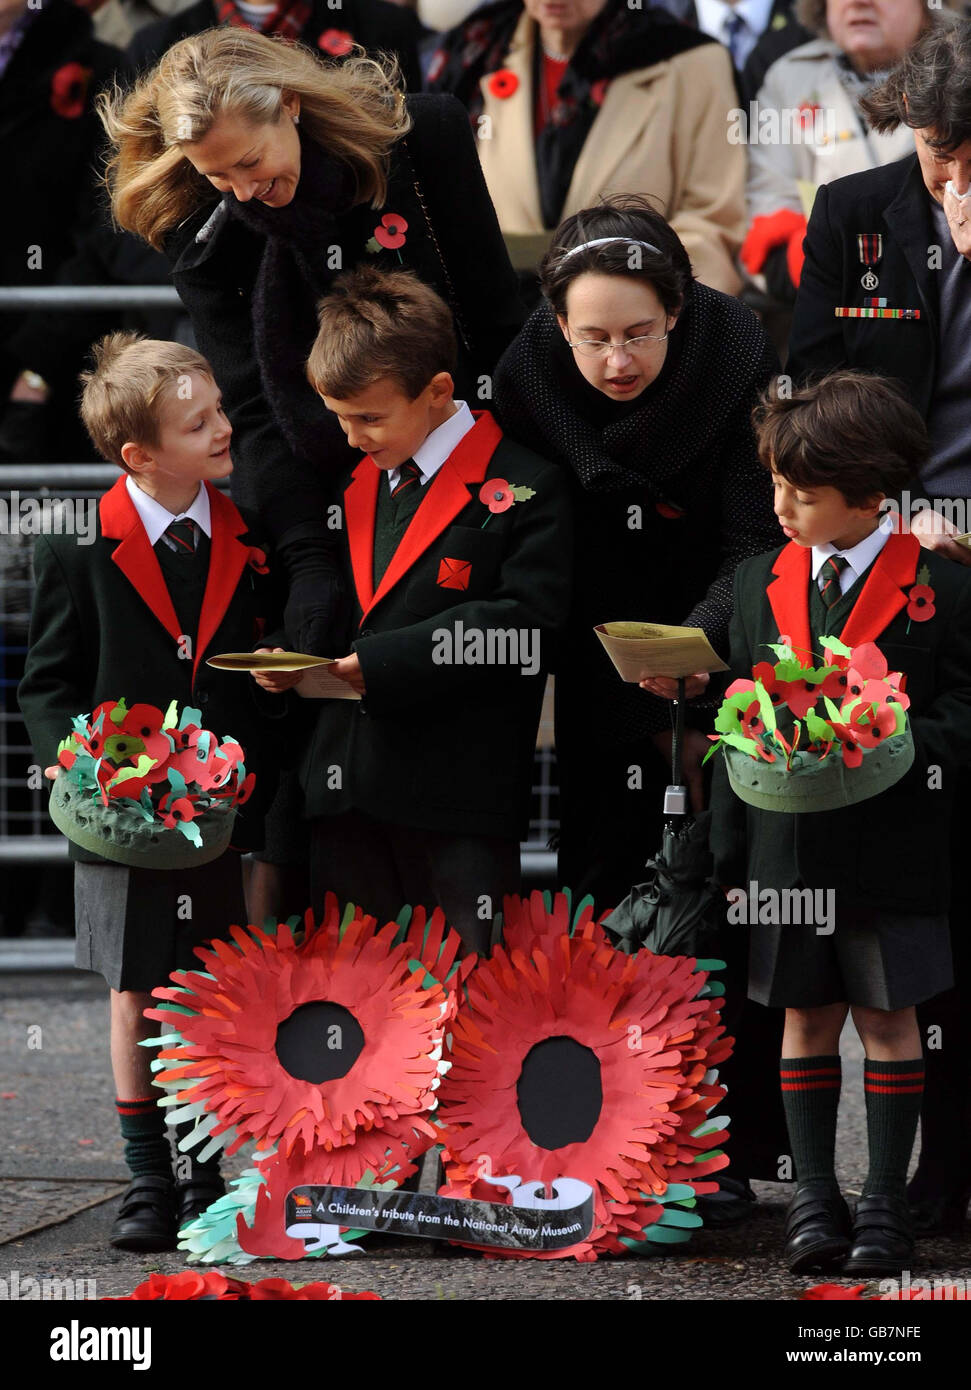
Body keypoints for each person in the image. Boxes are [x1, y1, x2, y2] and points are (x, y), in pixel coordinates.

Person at [493, 197, 786, 1220]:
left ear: (677, 312)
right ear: (558, 328)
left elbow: (759, 535)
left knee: (721, 898)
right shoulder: (526, 376)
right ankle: (607, 1144)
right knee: (603, 886)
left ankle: (735, 1150)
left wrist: (701, 642)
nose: (616, 360)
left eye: (638, 334)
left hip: (711, 647)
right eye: (594, 338)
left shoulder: (738, 360)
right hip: (588, 651)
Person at [99, 27, 523, 657]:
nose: (245, 192)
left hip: (463, 470)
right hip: (317, 499)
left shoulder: (421, 139)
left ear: (290, 105)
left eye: (250, 162)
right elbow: (251, 409)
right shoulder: (198, 229)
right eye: (218, 175)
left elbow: (495, 318)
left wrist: (516, 481)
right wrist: (307, 558)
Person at [18, 333, 286, 1252]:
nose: (223, 429)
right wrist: (78, 766)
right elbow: (47, 682)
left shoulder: (246, 532)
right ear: (139, 456)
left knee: (209, 984)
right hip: (120, 816)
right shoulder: (78, 547)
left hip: (215, 811)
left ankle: (204, 1165)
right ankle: (145, 1178)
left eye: (217, 409)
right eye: (198, 422)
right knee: (136, 986)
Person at [710, 371, 971, 1275]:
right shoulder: (754, 583)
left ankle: (886, 1205)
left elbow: (963, 707)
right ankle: (814, 1199)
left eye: (802, 492)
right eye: (775, 483)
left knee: (890, 1019)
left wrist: (895, 735)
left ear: (869, 495)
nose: (780, 505)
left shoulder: (940, 585)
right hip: (787, 849)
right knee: (804, 1016)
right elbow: (737, 698)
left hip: (896, 846)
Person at [787, 16, 971, 1232]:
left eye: (965, 162)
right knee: (919, 897)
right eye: (931, 155)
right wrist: (892, 527)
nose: (945, 183)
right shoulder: (856, 209)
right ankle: (915, 1172)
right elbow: (811, 395)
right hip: (891, 560)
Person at [257, 266, 572, 954]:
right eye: (340, 419)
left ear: (436, 393)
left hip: (458, 798)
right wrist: (289, 654)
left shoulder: (527, 482)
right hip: (346, 791)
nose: (351, 438)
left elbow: (526, 622)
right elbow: (345, 606)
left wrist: (380, 663)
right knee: (356, 1013)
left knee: (466, 1005)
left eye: (368, 417)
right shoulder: (360, 480)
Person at [426, 0, 747, 296]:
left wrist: (618, 296)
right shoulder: (475, 51)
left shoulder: (691, 61)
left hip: (635, 322)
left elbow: (711, 218)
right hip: (501, 317)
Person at [742, 0, 930, 306]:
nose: (859, 3)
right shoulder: (787, 78)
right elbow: (768, 223)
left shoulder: (962, 69)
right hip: (822, 311)